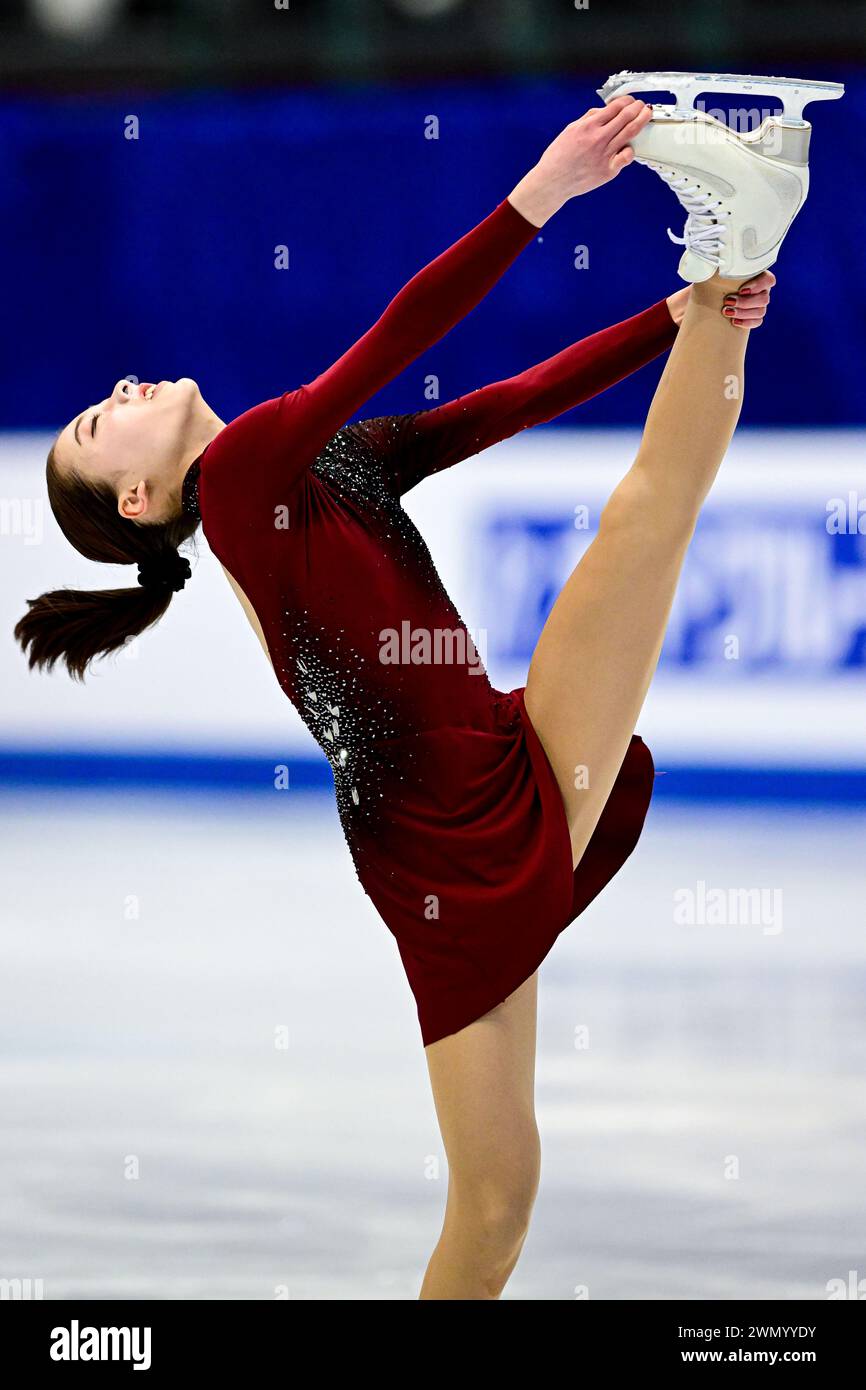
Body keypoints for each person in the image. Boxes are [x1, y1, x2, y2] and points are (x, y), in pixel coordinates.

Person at [16, 97, 776, 1298]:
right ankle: (739, 237)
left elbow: (504, 401)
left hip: (482, 771)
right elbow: (403, 325)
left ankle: (731, 251)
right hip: (441, 841)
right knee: (495, 1206)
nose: (119, 385)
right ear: (137, 500)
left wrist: (666, 321)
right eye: (99, 422)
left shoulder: (314, 462)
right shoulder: (246, 475)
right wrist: (541, 190)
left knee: (644, 517)